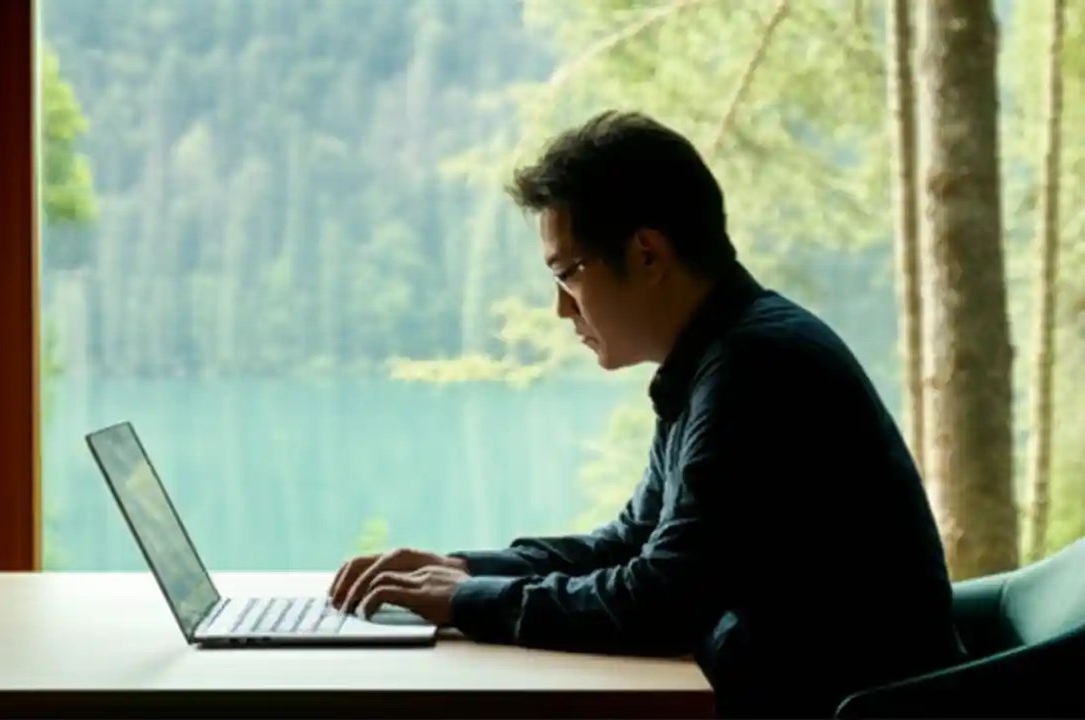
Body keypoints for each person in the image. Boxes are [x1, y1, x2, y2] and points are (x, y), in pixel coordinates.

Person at [327, 110, 965, 717]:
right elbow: (632, 541)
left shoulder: (756, 367)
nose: (561, 308)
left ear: (648, 254)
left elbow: (660, 602)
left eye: (567, 273)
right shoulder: (717, 356)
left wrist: (470, 602)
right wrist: (466, 571)